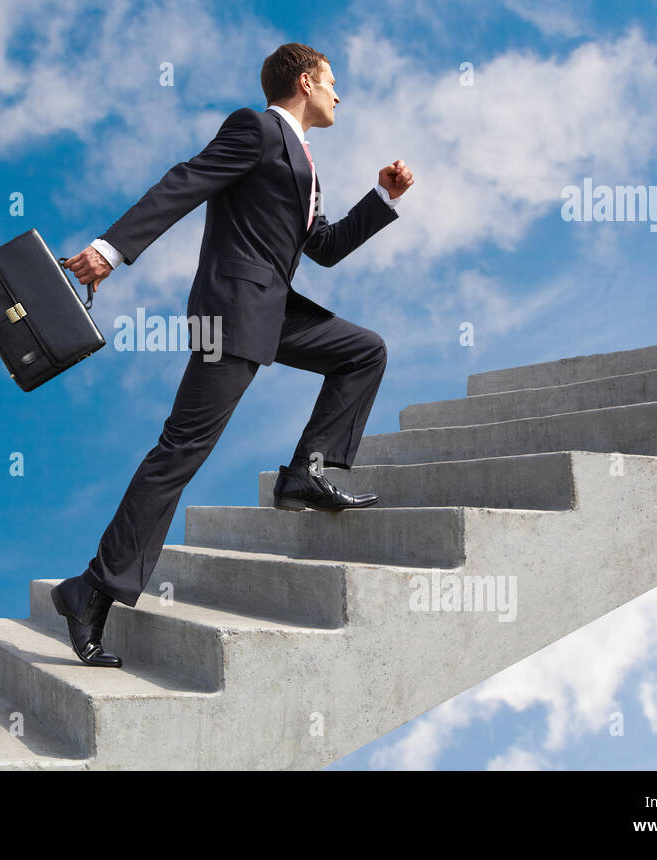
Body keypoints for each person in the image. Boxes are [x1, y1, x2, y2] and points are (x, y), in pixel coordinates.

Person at [54, 43, 414, 666]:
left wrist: (381, 200)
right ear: (306, 81)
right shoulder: (256, 128)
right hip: (231, 315)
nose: (339, 94)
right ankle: (91, 590)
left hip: (273, 312)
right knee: (181, 451)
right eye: (332, 82)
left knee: (364, 352)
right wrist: (110, 250)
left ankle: (305, 472)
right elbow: (185, 181)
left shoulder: (303, 162)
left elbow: (322, 248)